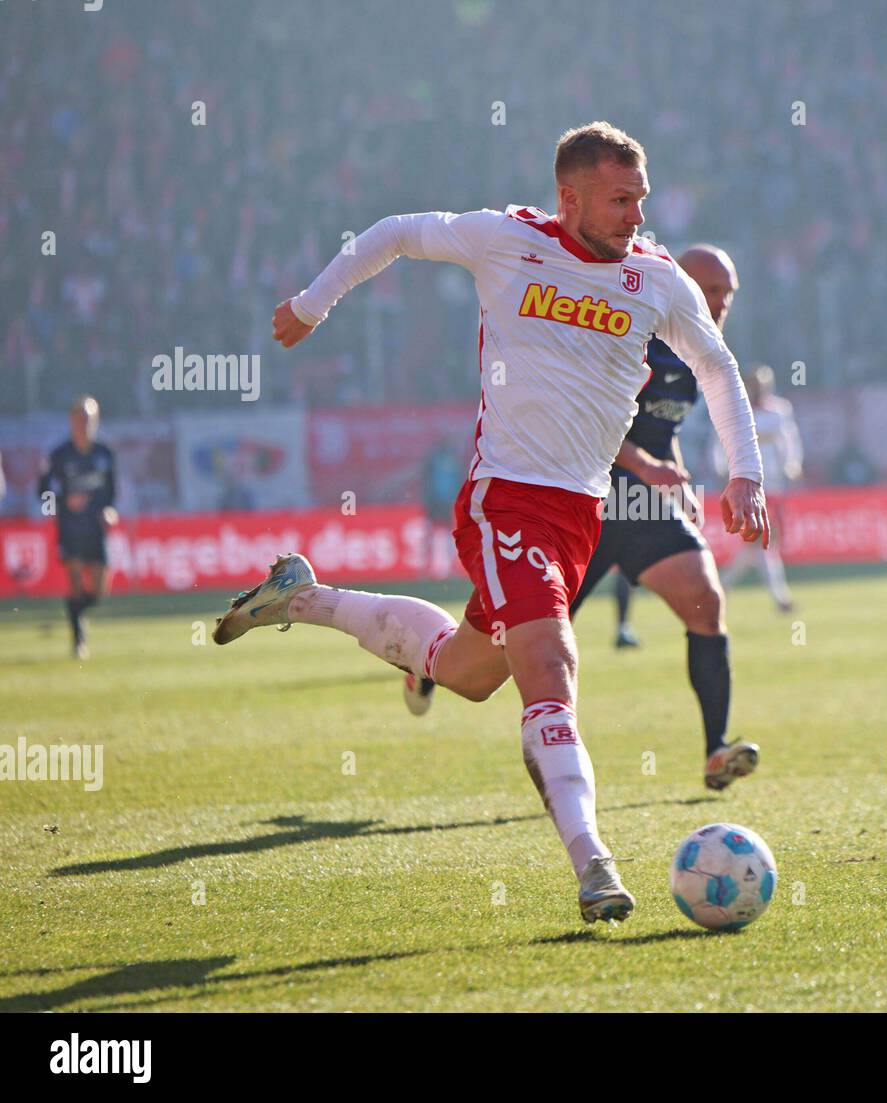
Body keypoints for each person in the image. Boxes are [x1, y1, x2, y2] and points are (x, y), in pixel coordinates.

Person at [212, 122, 768, 925]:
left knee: (467, 671)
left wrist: (745, 470)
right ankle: (594, 865)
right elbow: (399, 233)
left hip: (579, 511)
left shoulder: (655, 277)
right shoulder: (507, 241)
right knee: (551, 661)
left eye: (641, 199)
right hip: (505, 495)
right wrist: (312, 303)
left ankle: (300, 597)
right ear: (569, 196)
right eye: (619, 200)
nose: (634, 216)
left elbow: (716, 364)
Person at [567, 243, 759, 791]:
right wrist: (651, 467)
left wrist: (672, 475)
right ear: (680, 286)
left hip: (642, 504)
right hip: (587, 499)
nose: (721, 302)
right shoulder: (630, 334)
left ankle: (716, 751)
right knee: (510, 648)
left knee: (707, 602)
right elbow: (591, 423)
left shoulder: (701, 350)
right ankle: (431, 659)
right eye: (711, 290)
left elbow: (661, 430)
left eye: (728, 292)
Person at [39, 395, 118, 659]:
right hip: (70, 527)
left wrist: (108, 509)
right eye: (80, 418)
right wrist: (61, 504)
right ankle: (78, 641)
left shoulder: (104, 453)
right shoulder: (58, 455)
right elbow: (43, 491)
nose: (85, 424)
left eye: (90, 419)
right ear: (72, 420)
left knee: (99, 590)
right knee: (74, 584)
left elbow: (111, 491)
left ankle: (75, 611)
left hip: (95, 527)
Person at [720, 365, 802, 612]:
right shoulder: (738, 410)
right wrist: (723, 466)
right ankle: (777, 597)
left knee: (761, 540)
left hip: (773, 482)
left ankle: (724, 589)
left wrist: (792, 464)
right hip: (746, 481)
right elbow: (722, 440)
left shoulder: (779, 410)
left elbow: (790, 439)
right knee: (760, 539)